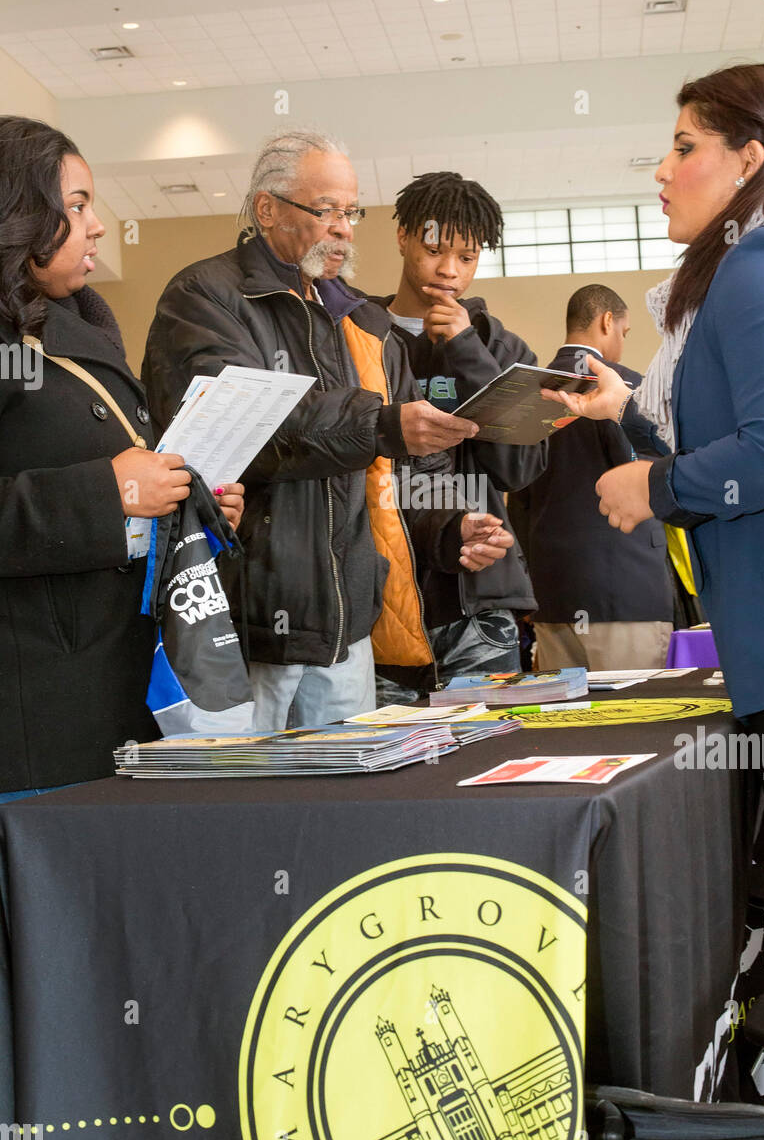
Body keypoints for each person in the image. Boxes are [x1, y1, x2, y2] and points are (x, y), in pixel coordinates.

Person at [545, 62, 764, 1115]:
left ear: (748, 158)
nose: (662, 167)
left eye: (684, 146)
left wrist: (655, 483)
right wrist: (630, 416)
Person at [143, 132, 514, 729]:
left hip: (349, 630)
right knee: (245, 811)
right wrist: (382, 423)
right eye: (326, 211)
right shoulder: (206, 295)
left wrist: (450, 527)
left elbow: (399, 478)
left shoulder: (362, 323)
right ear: (267, 209)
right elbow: (251, 426)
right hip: (248, 625)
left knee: (349, 810)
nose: (343, 228)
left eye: (351, 212)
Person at [0, 116, 243, 800]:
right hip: (36, 718)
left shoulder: (76, 323)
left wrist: (184, 501)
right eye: (75, 207)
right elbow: (96, 489)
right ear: (17, 214)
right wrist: (108, 494)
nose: (99, 226)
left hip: (121, 690)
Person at [367, 171, 544, 704]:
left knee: (489, 765)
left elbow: (520, 468)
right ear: (402, 236)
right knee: (391, 774)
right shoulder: (356, 335)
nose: (448, 270)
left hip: (478, 604)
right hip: (380, 602)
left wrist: (467, 350)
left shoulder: (501, 347)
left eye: (466, 258)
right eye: (434, 249)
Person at [509, 283, 673, 672]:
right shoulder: (630, 388)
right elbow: (658, 477)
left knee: (566, 726)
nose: (622, 342)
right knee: (632, 724)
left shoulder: (526, 392)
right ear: (607, 322)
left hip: (552, 594)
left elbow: (518, 497)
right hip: (625, 593)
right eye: (624, 332)